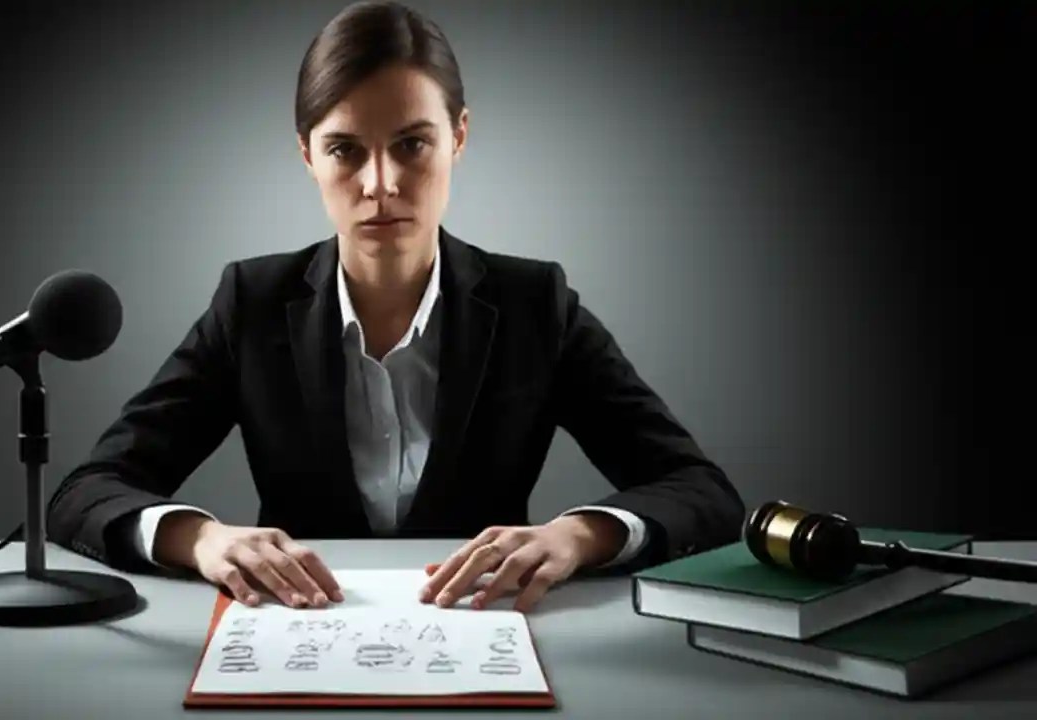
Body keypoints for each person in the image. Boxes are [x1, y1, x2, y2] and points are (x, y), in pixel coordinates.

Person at [46, 0, 745, 613]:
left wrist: (578, 536)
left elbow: (701, 492)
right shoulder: (251, 303)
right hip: (298, 642)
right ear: (307, 155)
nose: (380, 184)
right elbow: (87, 491)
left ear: (459, 137)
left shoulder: (537, 305)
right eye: (345, 150)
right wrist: (200, 538)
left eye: (412, 144)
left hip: (487, 634)